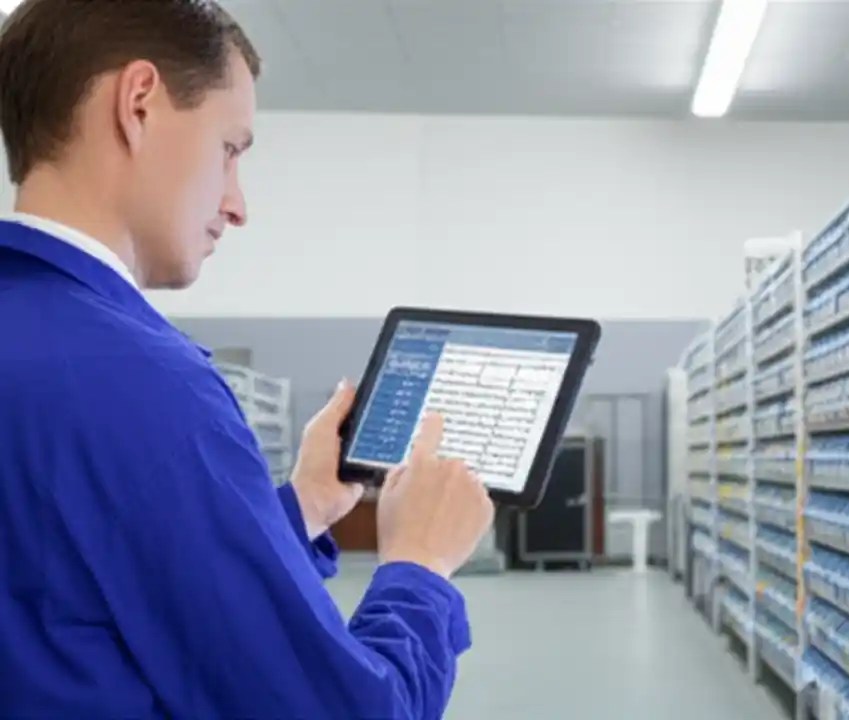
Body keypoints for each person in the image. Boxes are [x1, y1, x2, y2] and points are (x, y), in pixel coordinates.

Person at [0, 0, 495, 717]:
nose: (237, 205)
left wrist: (302, 511)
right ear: (138, 104)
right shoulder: (149, 385)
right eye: (230, 149)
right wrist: (418, 566)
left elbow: (79, 585)